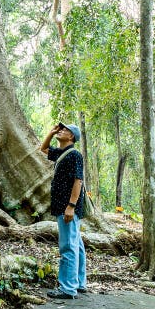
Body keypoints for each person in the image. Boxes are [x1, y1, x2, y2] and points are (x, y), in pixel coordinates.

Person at [39, 123, 87, 299]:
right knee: (77, 245)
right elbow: (43, 149)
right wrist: (51, 133)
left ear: (72, 137)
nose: (61, 131)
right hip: (62, 205)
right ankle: (79, 283)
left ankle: (67, 288)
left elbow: (78, 181)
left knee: (68, 246)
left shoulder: (74, 155)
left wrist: (71, 206)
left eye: (65, 130)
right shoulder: (61, 153)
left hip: (68, 207)